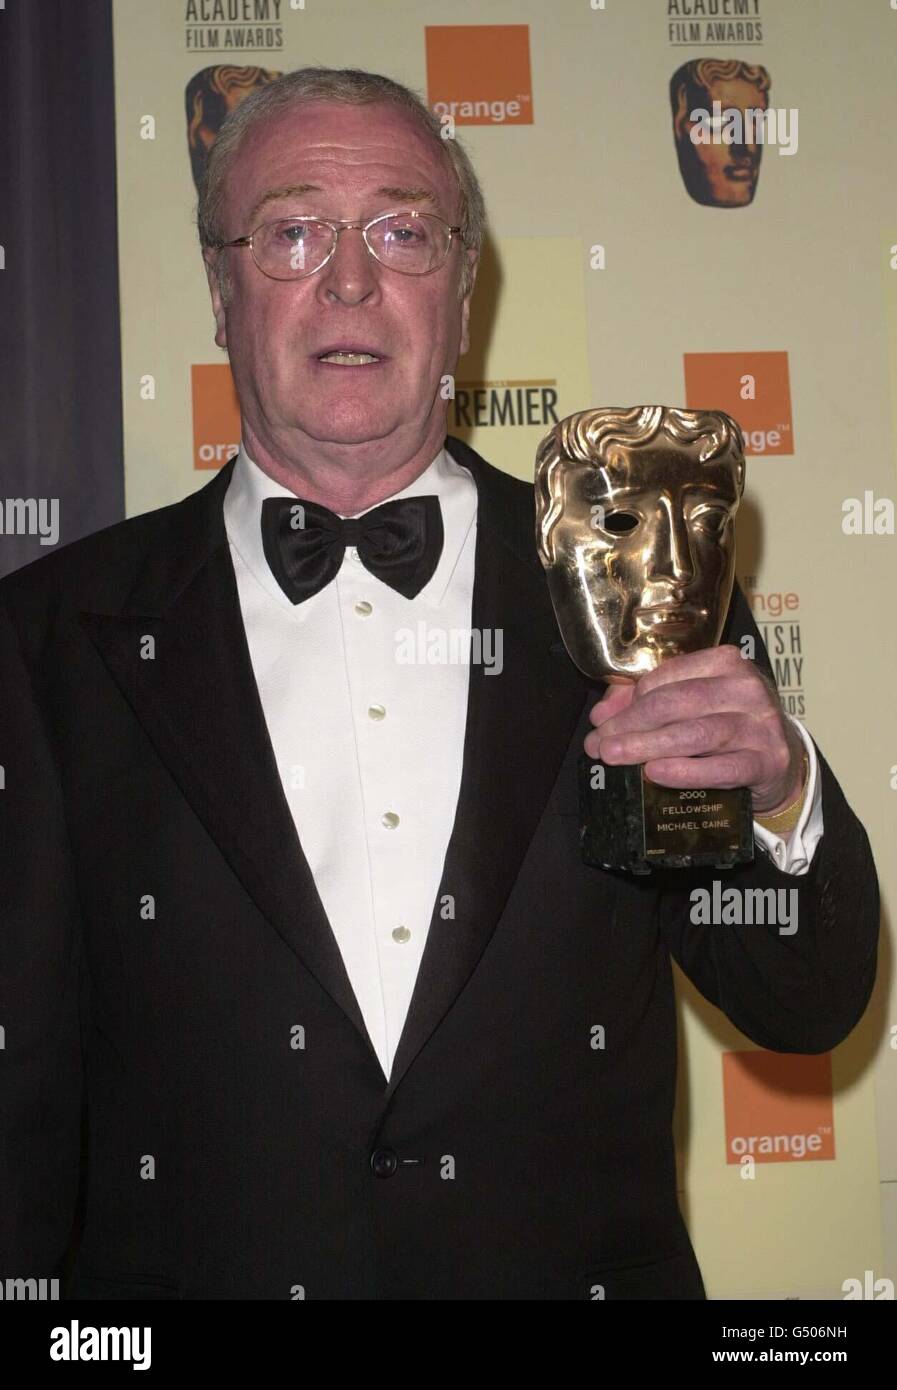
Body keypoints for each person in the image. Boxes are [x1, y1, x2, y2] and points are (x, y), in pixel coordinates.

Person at [0, 67, 878, 1301]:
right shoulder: (48, 640)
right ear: (218, 288)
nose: (350, 280)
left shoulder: (642, 582)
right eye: (294, 231)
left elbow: (801, 1000)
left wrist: (782, 798)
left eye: (403, 231)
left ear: (464, 292)